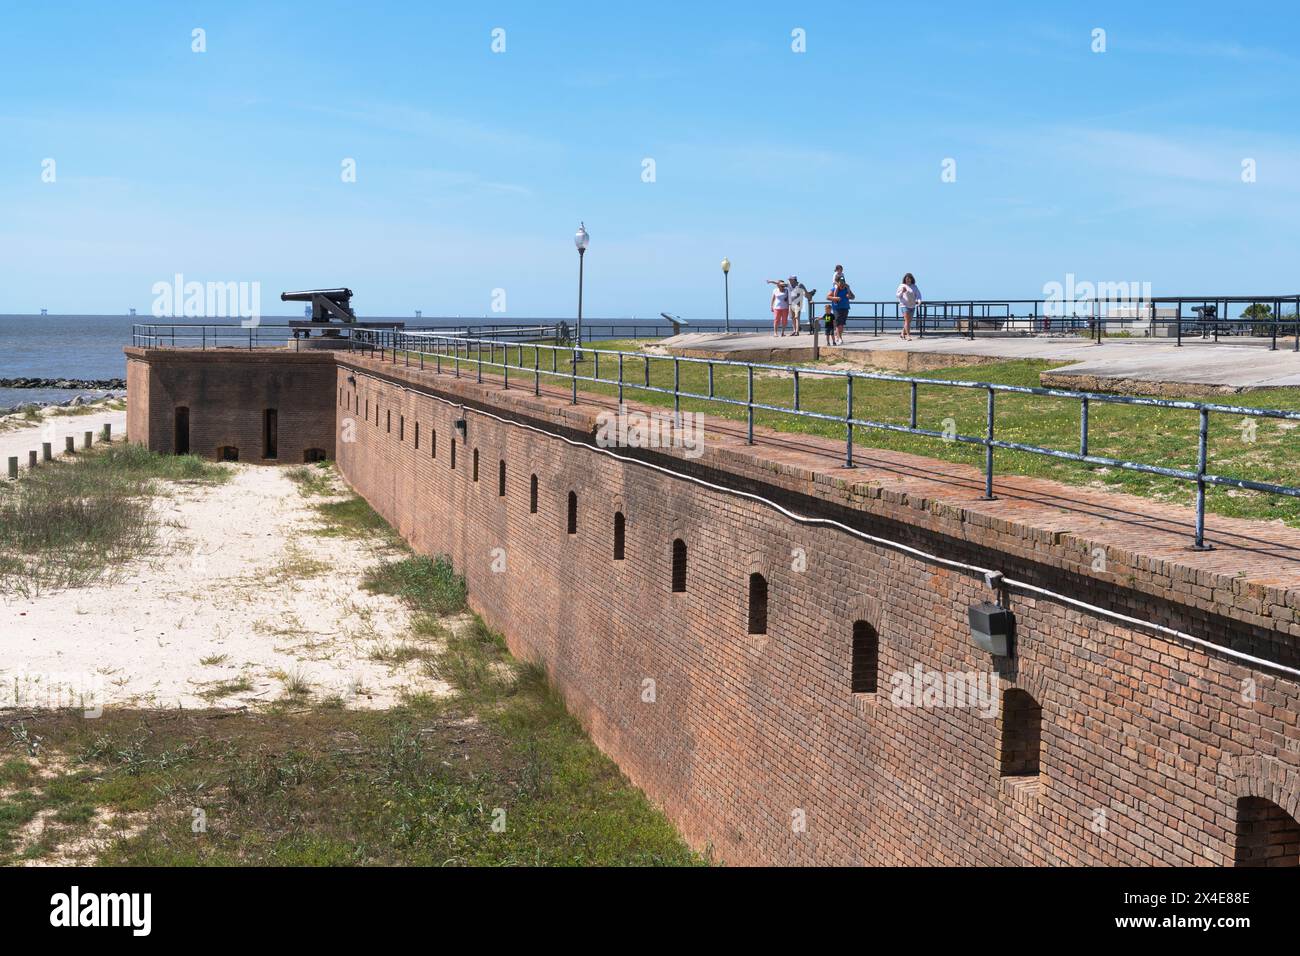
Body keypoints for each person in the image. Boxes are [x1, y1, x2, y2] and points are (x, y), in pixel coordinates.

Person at [827, 275, 854, 344]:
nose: (842, 283)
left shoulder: (846, 289)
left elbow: (853, 297)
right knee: (838, 324)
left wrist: (850, 296)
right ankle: (839, 338)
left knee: (841, 324)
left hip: (845, 308)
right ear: (838, 282)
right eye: (841, 282)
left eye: (843, 282)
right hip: (837, 308)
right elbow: (827, 297)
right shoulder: (834, 289)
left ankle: (838, 337)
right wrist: (835, 298)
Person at [896, 273, 922, 340]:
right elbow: (898, 295)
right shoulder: (901, 286)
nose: (908, 280)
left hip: (912, 305)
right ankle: (908, 335)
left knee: (908, 321)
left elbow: (918, 295)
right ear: (904, 279)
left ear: (911, 279)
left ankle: (902, 334)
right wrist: (902, 291)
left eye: (909, 279)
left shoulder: (914, 287)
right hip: (904, 305)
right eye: (907, 279)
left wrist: (919, 301)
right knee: (907, 321)